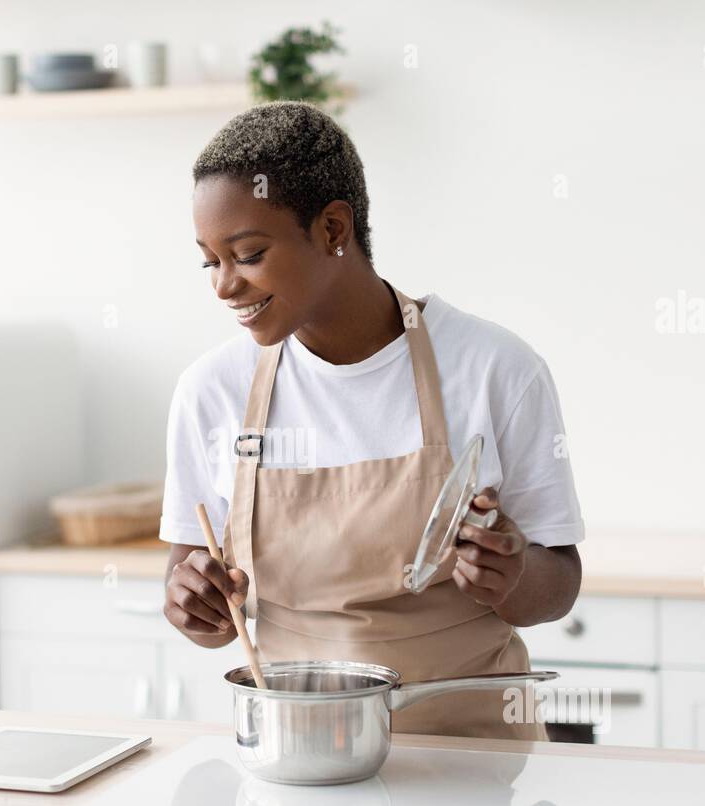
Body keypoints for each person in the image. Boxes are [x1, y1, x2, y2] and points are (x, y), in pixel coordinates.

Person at [159, 101, 584, 739]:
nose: (223, 286)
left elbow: (560, 585)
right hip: (300, 757)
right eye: (209, 261)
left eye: (247, 254)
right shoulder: (212, 390)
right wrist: (195, 606)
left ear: (333, 228)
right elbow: (194, 587)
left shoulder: (496, 368)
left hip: (478, 760)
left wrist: (514, 575)